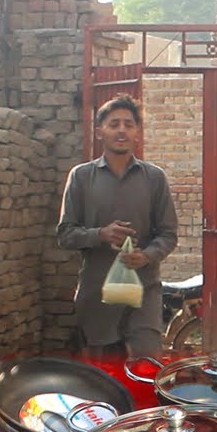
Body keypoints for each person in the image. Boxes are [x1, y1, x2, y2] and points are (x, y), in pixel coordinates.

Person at [57, 94, 178, 358]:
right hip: (96, 295)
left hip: (144, 293)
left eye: (128, 124)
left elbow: (168, 234)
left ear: (137, 132)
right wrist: (100, 234)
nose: (121, 130)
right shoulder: (81, 177)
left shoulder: (154, 178)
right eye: (114, 124)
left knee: (145, 368)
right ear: (100, 131)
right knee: (101, 378)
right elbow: (65, 234)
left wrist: (146, 256)